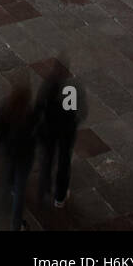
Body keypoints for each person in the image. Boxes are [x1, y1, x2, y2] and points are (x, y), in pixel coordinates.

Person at [0, 78, 38, 232]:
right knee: (20, 189)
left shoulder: (5, 110)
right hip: (25, 155)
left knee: (8, 178)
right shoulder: (30, 113)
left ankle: (1, 204)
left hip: (7, 151)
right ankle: (16, 225)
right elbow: (36, 134)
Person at [35, 61, 87, 209]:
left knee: (47, 159)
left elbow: (38, 108)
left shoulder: (48, 86)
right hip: (67, 131)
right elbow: (82, 111)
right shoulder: (74, 87)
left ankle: (45, 189)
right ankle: (60, 196)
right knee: (64, 162)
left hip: (49, 130)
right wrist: (74, 122)